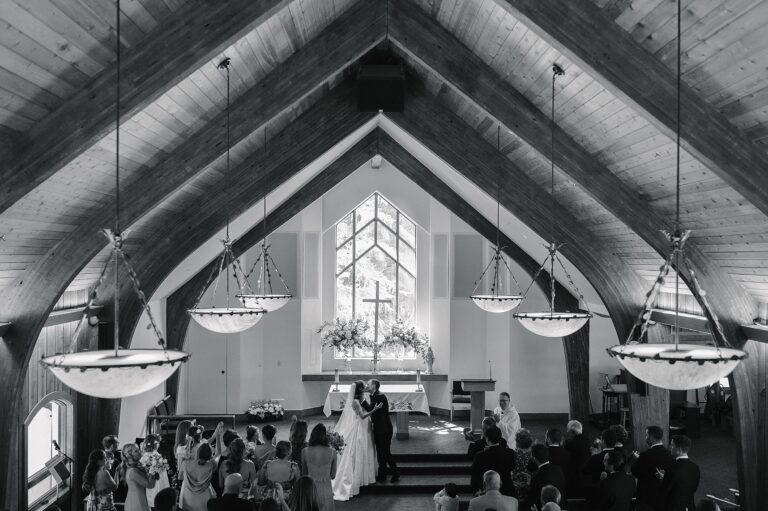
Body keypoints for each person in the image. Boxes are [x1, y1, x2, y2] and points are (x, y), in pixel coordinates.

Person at [331, 381, 379, 500]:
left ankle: (364, 477)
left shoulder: (361, 399)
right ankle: (356, 480)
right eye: (363, 388)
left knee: (365, 449)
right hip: (359, 427)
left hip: (364, 426)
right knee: (356, 451)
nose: (365, 389)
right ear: (359, 390)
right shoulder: (356, 401)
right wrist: (375, 410)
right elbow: (362, 416)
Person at [363, 379, 399, 482]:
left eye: (368, 384)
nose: (366, 386)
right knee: (381, 453)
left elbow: (370, 409)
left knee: (385, 452)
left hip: (384, 429)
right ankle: (382, 475)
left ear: (374, 386)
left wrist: (362, 401)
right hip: (381, 428)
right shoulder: (376, 395)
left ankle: (395, 473)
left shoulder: (379, 396)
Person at [630, 425, 674, 511]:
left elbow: (634, 471)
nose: (646, 438)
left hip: (646, 498)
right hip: (663, 497)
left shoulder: (645, 455)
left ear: (651, 437)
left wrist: (637, 460)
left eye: (646, 435)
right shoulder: (670, 454)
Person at [470, 425, 516, 496]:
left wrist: (475, 491)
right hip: (507, 490)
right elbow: (512, 467)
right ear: (500, 438)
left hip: (487, 490)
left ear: (487, 439)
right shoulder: (510, 453)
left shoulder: (480, 455)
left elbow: (475, 474)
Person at [301, 424, 337, 511]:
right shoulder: (332, 452)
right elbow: (332, 476)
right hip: (326, 491)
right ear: (325, 436)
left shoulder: (305, 451)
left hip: (310, 492)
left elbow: (304, 474)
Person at [661, 435, 700, 511]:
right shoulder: (695, 467)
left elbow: (664, 490)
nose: (670, 447)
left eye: (672, 445)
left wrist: (664, 478)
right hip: (690, 507)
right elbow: (694, 488)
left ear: (679, 449)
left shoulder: (672, 467)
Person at [525, 444, 566, 511]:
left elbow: (531, 501)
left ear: (534, 458)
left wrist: (529, 485)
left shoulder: (537, 477)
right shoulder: (558, 469)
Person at [179, 442, 216, 511]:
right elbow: (215, 462)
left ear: (198, 452)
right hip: (204, 496)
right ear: (209, 455)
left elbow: (180, 477)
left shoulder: (186, 463)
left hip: (188, 495)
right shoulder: (211, 466)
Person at [123, 443, 156, 511]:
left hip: (140, 500)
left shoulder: (136, 468)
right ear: (129, 455)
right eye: (136, 451)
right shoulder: (133, 471)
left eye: (138, 450)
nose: (140, 452)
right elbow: (149, 485)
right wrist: (154, 469)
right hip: (137, 502)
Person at [141, 434, 170, 509]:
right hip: (157, 480)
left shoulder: (144, 456)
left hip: (149, 480)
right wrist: (164, 466)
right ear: (156, 444)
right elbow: (159, 469)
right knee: (157, 495)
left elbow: (143, 467)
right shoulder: (157, 456)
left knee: (151, 497)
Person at [564, 420, 591, 498]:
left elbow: (566, 459)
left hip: (574, 477)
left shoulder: (571, 444)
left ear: (572, 432)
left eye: (568, 431)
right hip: (586, 475)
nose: (567, 433)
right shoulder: (587, 440)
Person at [212, 429, 240, 497]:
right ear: (232, 443)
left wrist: (218, 436)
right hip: (228, 493)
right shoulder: (235, 459)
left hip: (218, 493)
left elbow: (218, 452)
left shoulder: (219, 458)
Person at [511, 428, 535, 500]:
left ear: (517, 442)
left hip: (514, 489)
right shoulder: (534, 456)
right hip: (531, 489)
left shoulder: (512, 455)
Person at [103, 435, 127, 502]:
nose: (119, 444)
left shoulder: (101, 456)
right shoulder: (115, 460)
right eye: (117, 443)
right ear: (112, 446)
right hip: (113, 491)